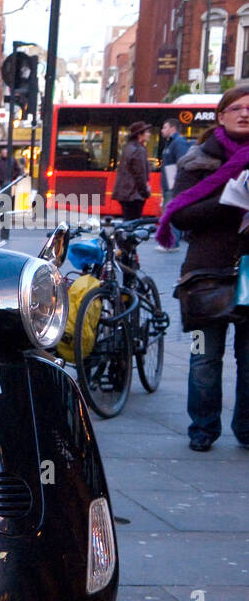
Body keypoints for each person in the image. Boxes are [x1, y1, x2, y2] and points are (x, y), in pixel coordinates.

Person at [159, 87, 249, 452]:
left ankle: (246, 429)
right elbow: (180, 214)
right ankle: (203, 428)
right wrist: (230, 201)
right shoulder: (197, 161)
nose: (245, 113)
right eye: (238, 107)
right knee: (203, 358)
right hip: (205, 275)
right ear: (222, 116)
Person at [158, 118, 192, 251]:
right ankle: (170, 242)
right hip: (169, 186)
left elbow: (182, 163)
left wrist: (176, 184)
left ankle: (172, 243)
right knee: (168, 213)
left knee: (170, 214)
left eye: (164, 127)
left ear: (172, 128)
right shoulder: (171, 143)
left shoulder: (178, 143)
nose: (162, 130)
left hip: (173, 186)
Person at [112, 121, 152, 222]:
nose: (149, 134)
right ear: (140, 135)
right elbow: (140, 175)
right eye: (147, 132)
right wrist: (145, 192)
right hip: (134, 195)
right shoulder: (139, 150)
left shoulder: (128, 147)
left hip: (126, 194)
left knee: (127, 222)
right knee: (133, 225)